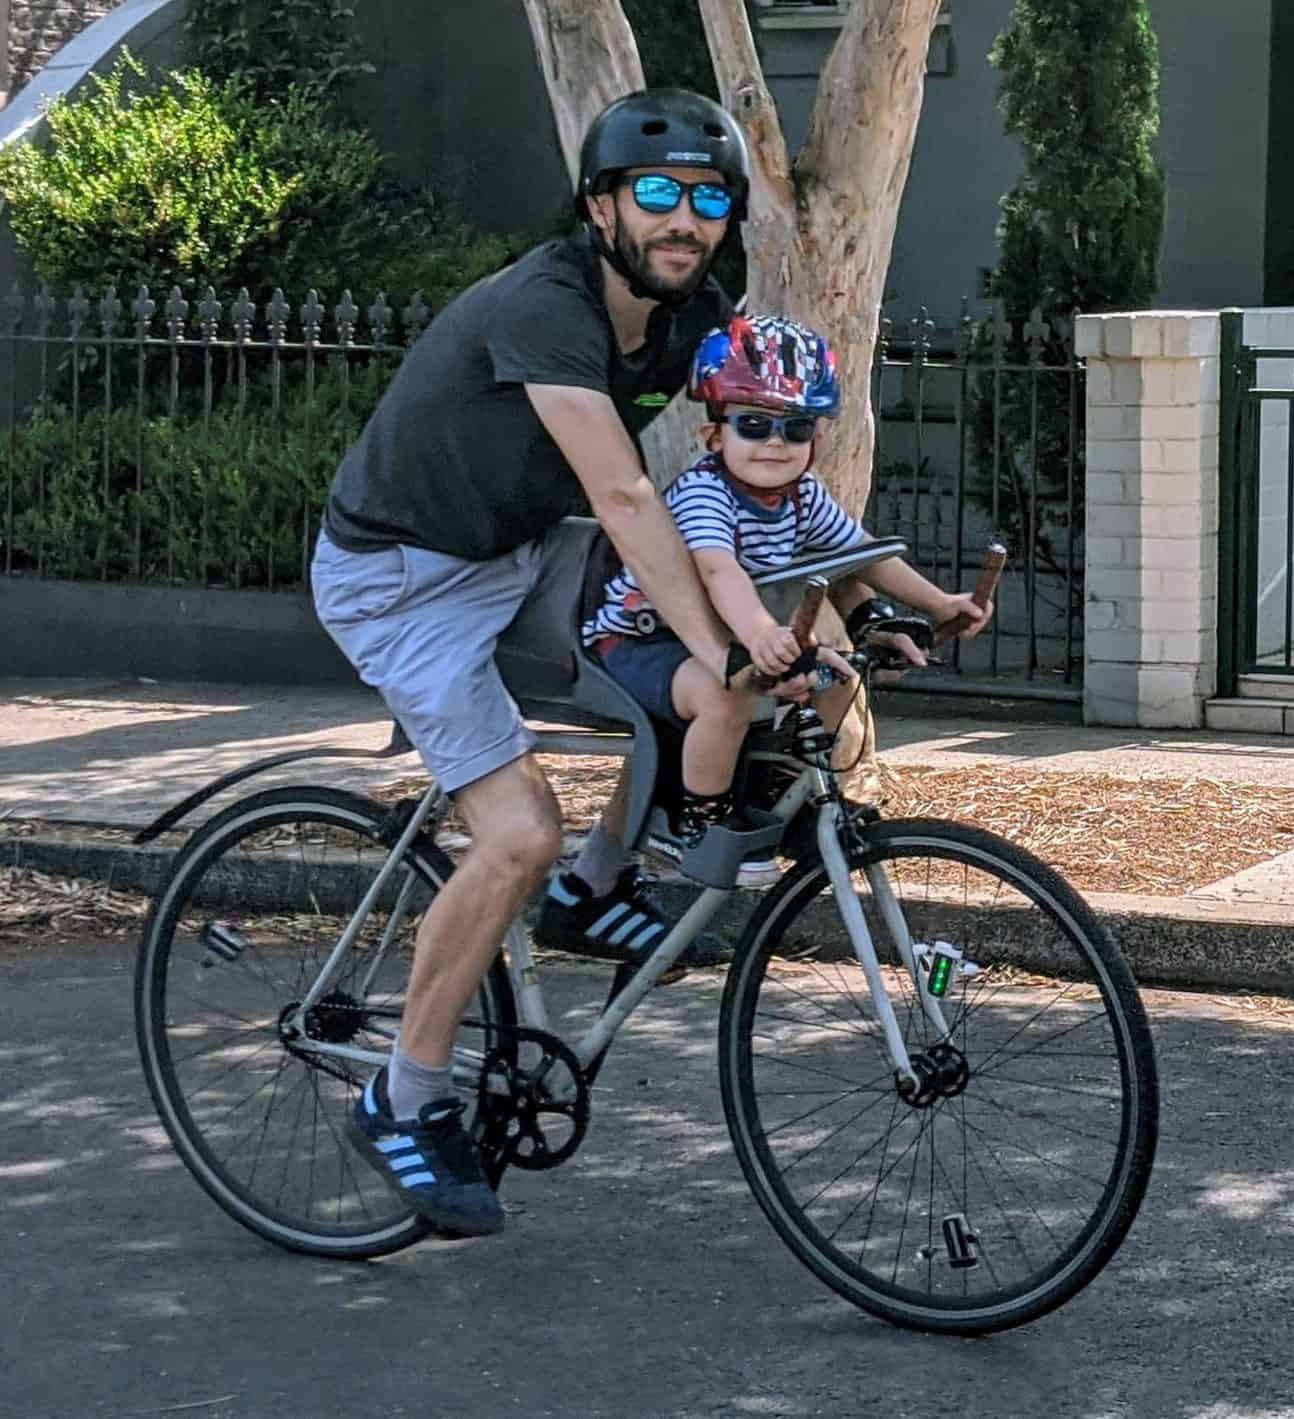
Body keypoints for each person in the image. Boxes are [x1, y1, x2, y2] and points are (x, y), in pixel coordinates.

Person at [309, 90, 816, 1240]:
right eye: (655, 194)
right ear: (600, 205)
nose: (681, 219)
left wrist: (830, 588)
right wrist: (724, 636)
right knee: (513, 832)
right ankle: (405, 1092)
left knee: (688, 686)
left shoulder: (698, 317)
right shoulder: (545, 306)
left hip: (525, 549)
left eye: (706, 199)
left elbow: (750, 458)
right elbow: (626, 494)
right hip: (403, 574)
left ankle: (593, 890)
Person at [581, 313, 994, 888]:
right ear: (715, 435)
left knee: (838, 678)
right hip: (644, 638)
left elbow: (861, 554)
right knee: (722, 699)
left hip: (731, 638)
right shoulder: (707, 492)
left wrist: (939, 602)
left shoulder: (801, 495)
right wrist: (758, 635)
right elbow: (718, 570)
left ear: (817, 439)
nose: (775, 443)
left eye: (795, 428)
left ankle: (789, 797)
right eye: (753, 423)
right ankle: (696, 823)